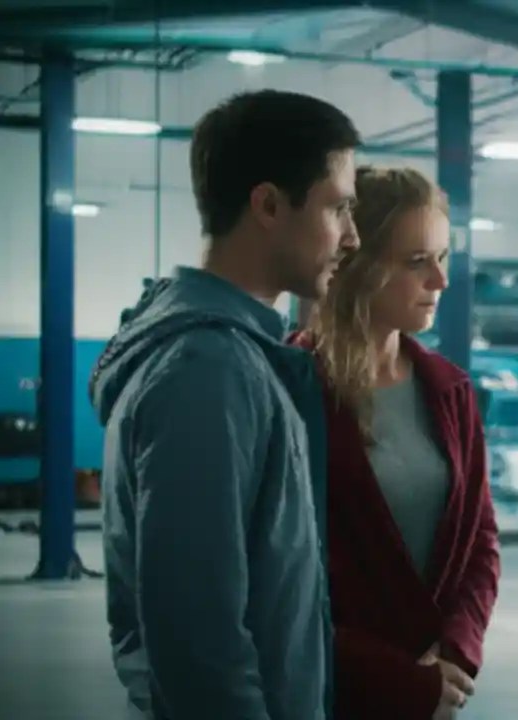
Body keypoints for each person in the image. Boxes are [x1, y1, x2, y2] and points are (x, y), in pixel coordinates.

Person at [88, 89, 361, 720]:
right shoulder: (209, 371)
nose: (351, 236)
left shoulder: (236, 356)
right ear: (268, 204)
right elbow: (198, 635)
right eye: (338, 207)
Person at [289, 166, 501, 720]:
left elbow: (480, 541)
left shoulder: (449, 391)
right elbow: (274, 582)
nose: (441, 281)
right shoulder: (289, 388)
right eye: (416, 262)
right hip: (326, 692)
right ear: (356, 265)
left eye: (443, 257)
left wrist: (455, 653)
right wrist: (393, 677)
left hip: (431, 693)